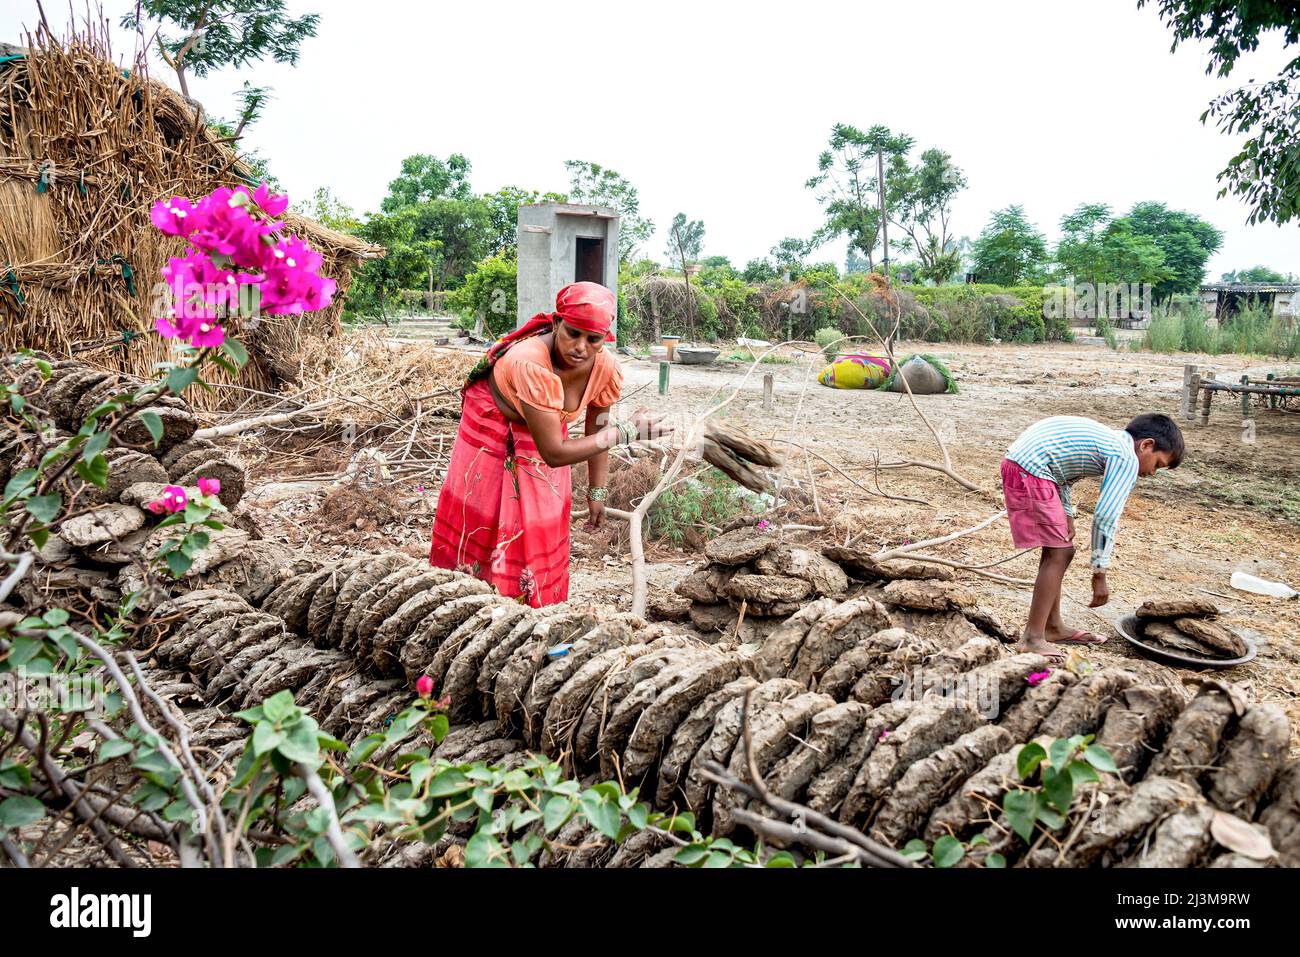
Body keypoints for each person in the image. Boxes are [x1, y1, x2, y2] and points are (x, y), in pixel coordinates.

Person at [428, 281, 669, 607]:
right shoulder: (530, 363)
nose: (581, 346)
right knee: (484, 514)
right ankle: (468, 602)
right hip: (494, 426)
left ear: (604, 340)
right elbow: (555, 453)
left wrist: (597, 491)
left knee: (542, 518)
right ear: (556, 323)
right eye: (572, 333)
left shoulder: (605, 368)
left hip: (546, 431)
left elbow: (597, 427)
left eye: (593, 339)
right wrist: (627, 432)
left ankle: (533, 605)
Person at [1001, 413, 1184, 661]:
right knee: (1060, 552)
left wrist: (1066, 513)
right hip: (1030, 469)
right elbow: (1105, 517)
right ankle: (1032, 638)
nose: (1152, 473)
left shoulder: (1112, 444)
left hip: (1029, 465)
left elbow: (1062, 472)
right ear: (1147, 445)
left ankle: (1052, 627)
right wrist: (1100, 573)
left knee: (1059, 550)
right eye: (1158, 464)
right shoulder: (1126, 457)